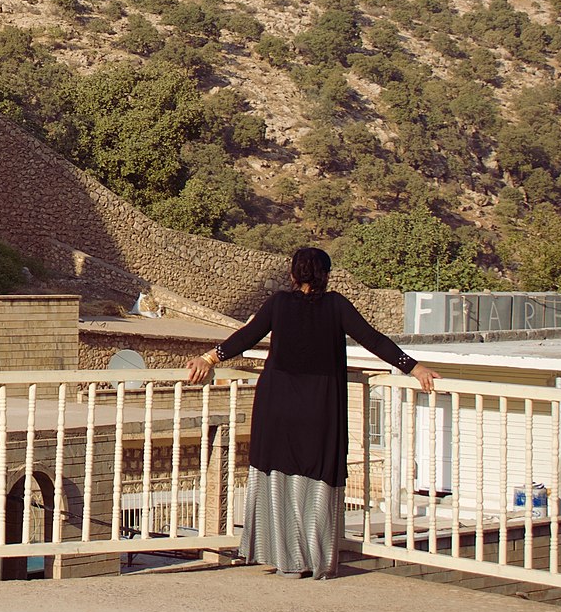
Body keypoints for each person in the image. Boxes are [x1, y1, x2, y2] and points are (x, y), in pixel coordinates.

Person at [185, 246, 436, 578]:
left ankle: (277, 555)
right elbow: (373, 340)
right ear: (325, 275)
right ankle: (311, 559)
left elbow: (246, 336)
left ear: (292, 275)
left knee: (278, 476)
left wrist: (209, 358)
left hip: (277, 403)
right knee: (315, 478)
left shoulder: (279, 305)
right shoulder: (336, 306)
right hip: (319, 406)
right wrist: (413, 367)